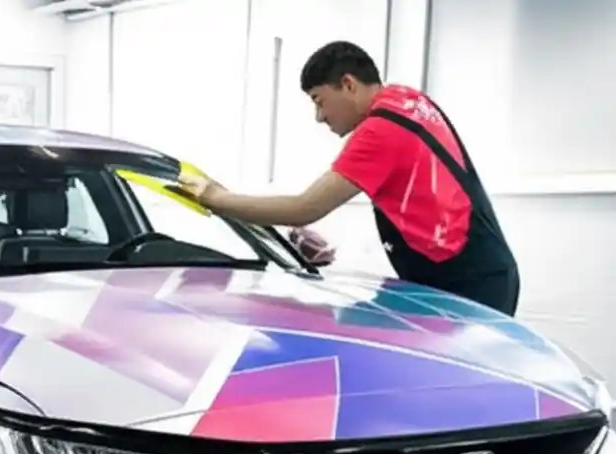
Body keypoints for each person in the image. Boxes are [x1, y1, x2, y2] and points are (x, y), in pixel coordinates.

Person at [179, 40, 521, 315]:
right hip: (484, 269)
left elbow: (304, 208)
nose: (319, 116)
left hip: (467, 283)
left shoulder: (379, 131)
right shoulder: (407, 99)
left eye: (319, 101)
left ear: (348, 84)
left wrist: (214, 197)